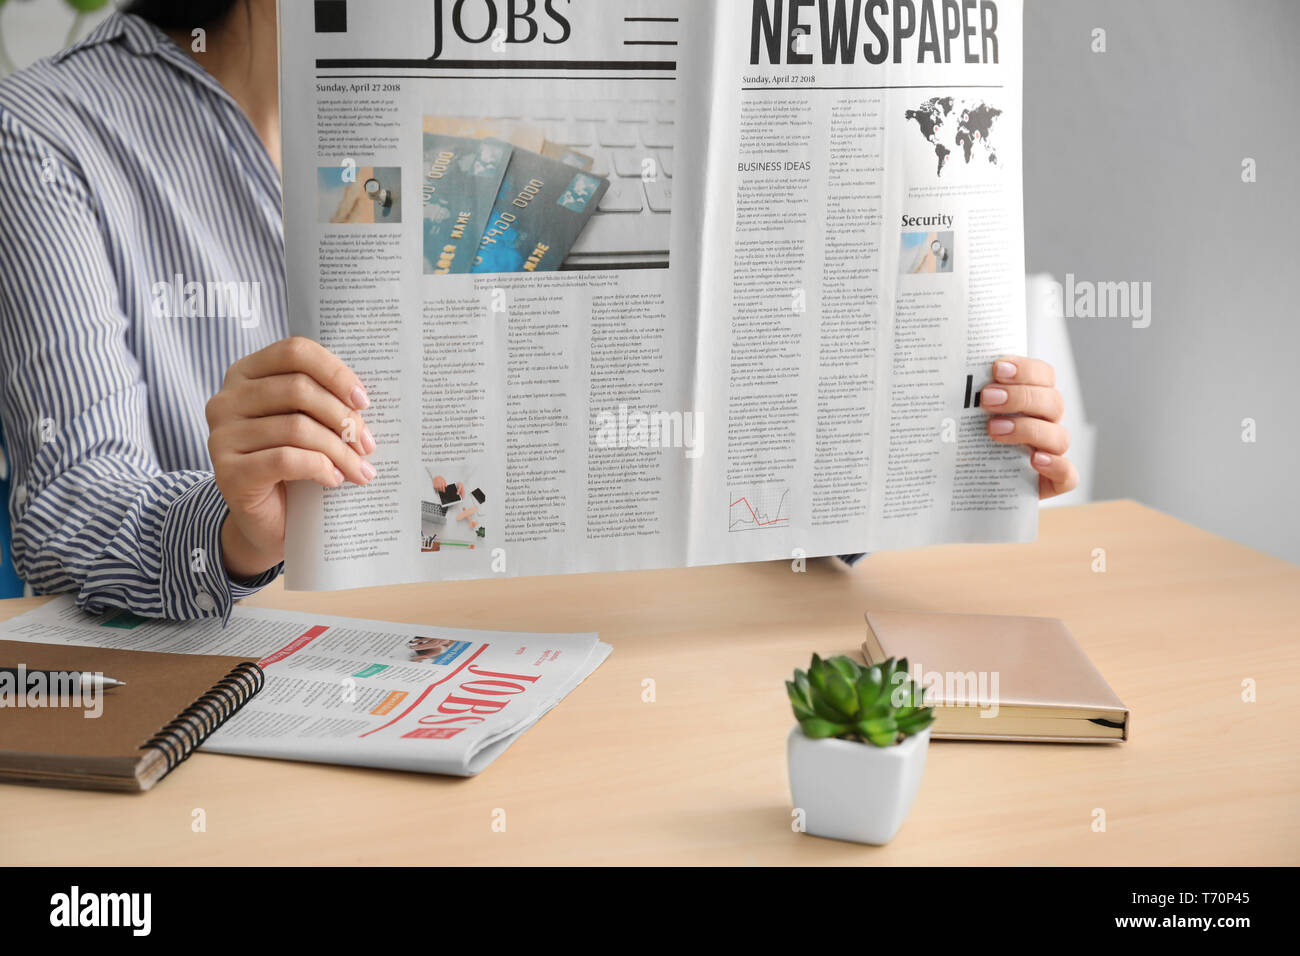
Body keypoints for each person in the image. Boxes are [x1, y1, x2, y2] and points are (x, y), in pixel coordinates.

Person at [0, 1, 1077, 622]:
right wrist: (238, 528)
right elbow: (64, 515)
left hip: (518, 666)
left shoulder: (497, 108)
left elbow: (626, 459)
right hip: (245, 725)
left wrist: (889, 449)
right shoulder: (49, 133)